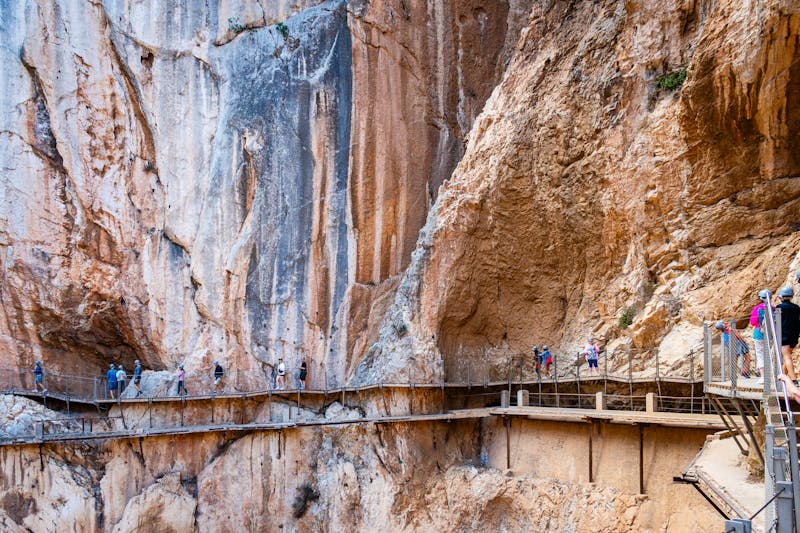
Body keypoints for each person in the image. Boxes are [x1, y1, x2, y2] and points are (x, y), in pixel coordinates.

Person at [777, 286, 800, 385]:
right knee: (788, 357)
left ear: (781, 296)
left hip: (783, 335)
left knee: (787, 357)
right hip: (794, 336)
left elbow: (777, 321)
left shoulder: (780, 307)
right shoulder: (796, 307)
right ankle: (782, 377)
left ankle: (794, 380)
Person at [750, 290, 769, 383]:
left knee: (760, 355)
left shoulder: (757, 308)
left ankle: (763, 377)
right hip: (770, 334)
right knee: (768, 354)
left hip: (759, 333)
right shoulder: (772, 308)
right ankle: (770, 375)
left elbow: (753, 322)